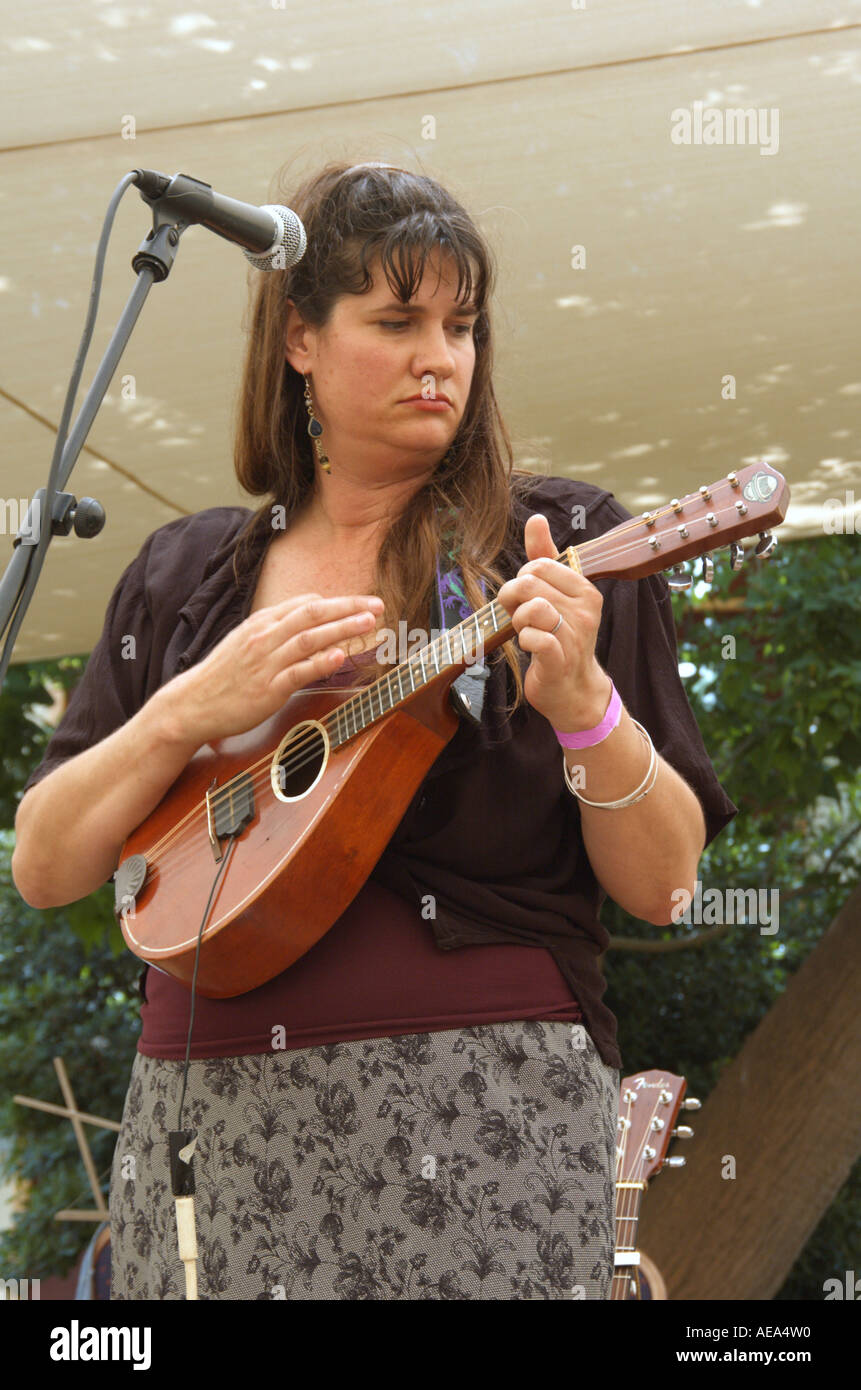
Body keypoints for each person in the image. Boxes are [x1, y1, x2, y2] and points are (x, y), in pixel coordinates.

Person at [12, 160, 735, 1301]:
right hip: (210, 1132)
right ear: (300, 337)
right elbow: (47, 863)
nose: (439, 355)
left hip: (485, 1111)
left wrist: (586, 707)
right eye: (396, 320)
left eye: (462, 325)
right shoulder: (185, 577)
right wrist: (191, 708)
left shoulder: (561, 540)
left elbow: (668, 883)